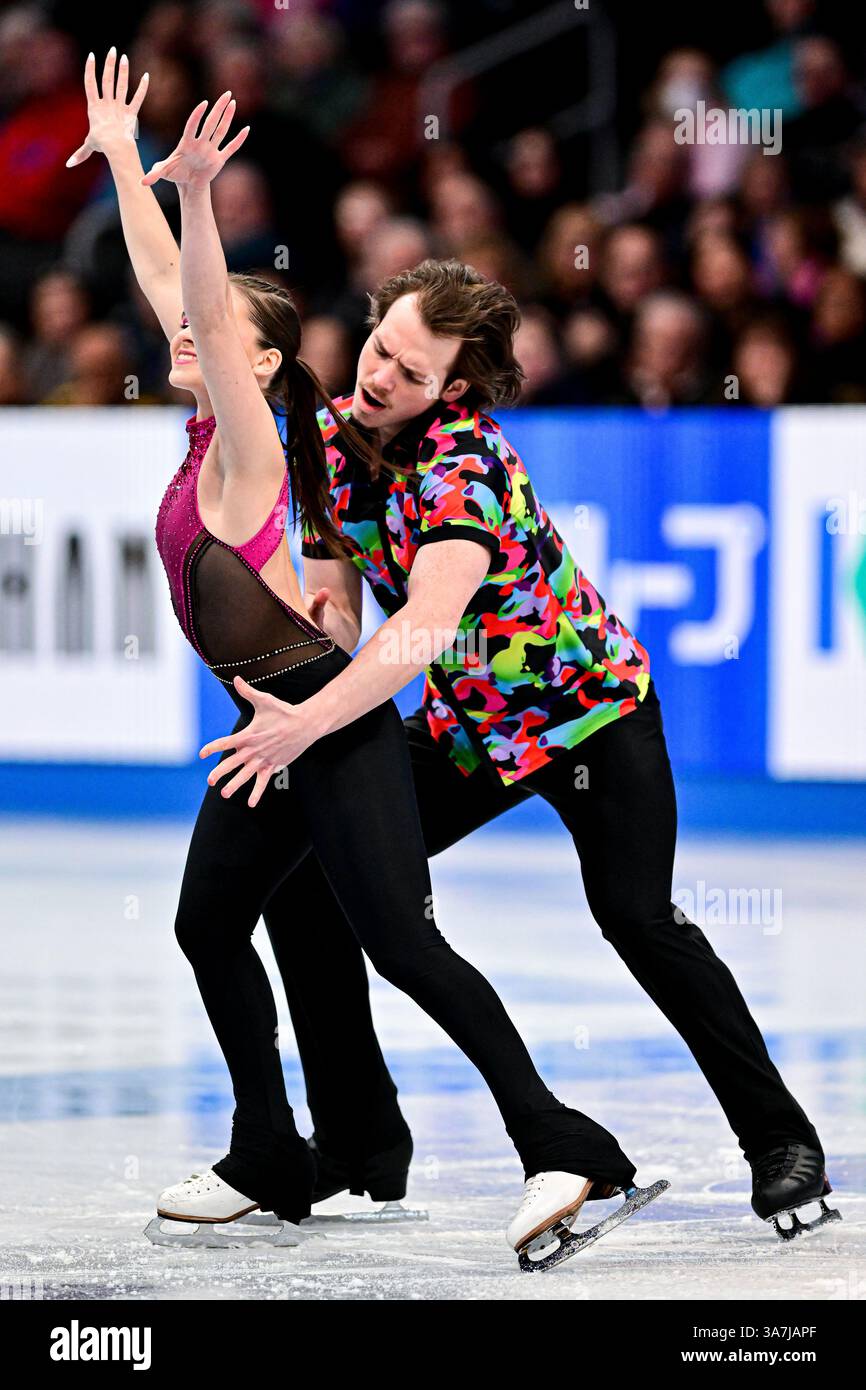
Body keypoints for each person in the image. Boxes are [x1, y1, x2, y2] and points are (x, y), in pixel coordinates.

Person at [66, 48, 662, 1260]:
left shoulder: (249, 448)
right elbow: (170, 290)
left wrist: (196, 196)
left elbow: (202, 306)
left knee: (401, 942)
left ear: (259, 365)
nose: (182, 332)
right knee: (208, 922)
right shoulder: (226, 421)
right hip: (273, 727)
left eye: (213, 333)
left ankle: (562, 1143)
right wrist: (126, 158)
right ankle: (271, 1151)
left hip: (327, 727)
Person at [201, 254, 837, 1242]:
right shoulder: (328, 443)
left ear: (452, 390)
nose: (379, 376)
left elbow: (421, 627)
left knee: (637, 918)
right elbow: (341, 608)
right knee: (310, 871)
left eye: (410, 373)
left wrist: (307, 721)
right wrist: (316, 637)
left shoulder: (466, 466)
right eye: (379, 349)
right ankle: (359, 1141)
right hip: (470, 732)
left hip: (591, 718)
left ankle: (781, 1141)